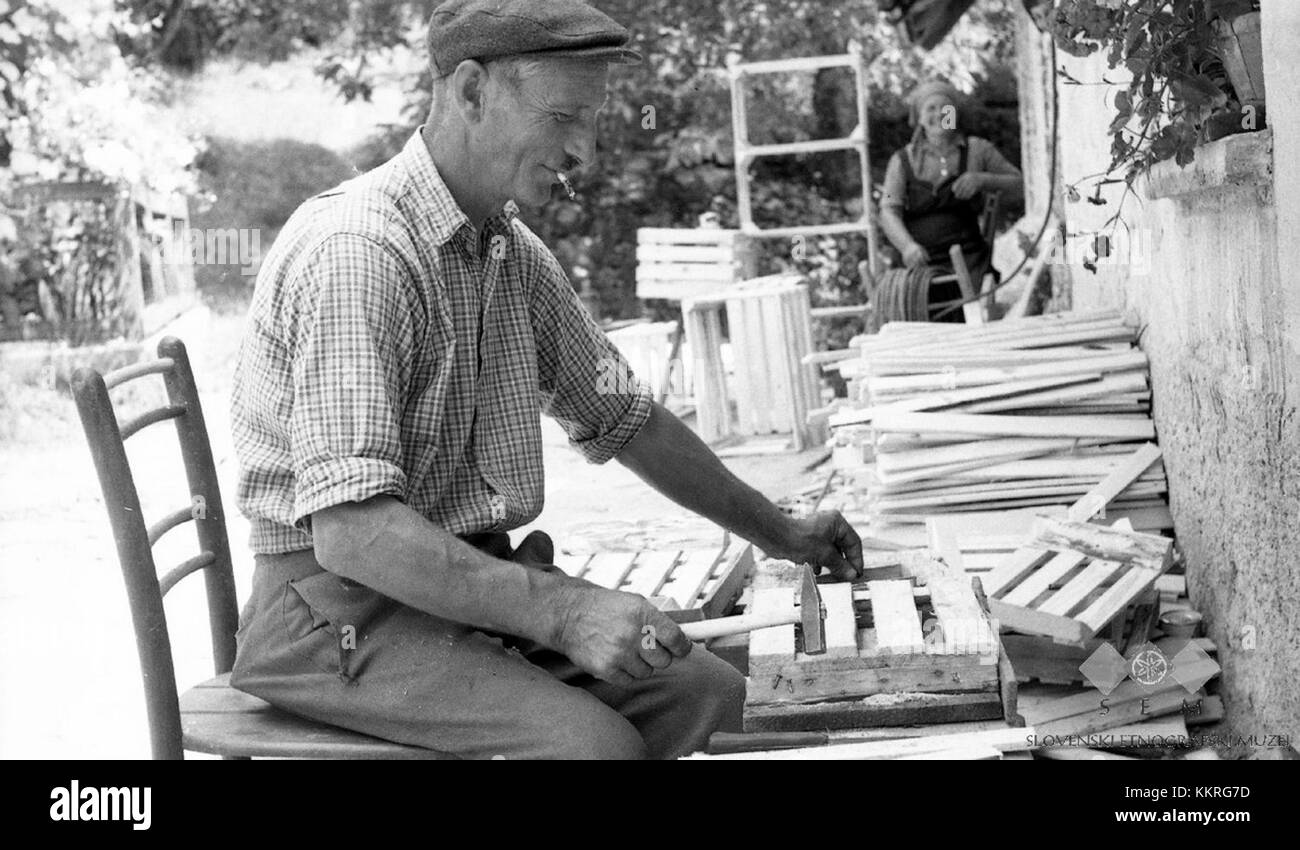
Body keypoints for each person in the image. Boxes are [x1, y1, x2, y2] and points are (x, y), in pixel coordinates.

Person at [227, 0, 865, 760]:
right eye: (564, 116)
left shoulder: (508, 252)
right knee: (590, 747)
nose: (586, 150)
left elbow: (629, 418)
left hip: (456, 588)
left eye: (593, 122)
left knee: (717, 699)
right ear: (470, 92)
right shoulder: (360, 253)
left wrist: (781, 533)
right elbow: (355, 534)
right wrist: (563, 613)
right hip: (332, 612)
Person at [879, 80, 1023, 322]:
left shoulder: (978, 150)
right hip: (919, 262)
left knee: (970, 312)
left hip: (967, 258)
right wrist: (907, 247)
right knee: (910, 306)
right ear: (919, 118)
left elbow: (1020, 185)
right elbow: (888, 210)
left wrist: (982, 180)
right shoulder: (902, 161)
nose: (939, 115)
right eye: (930, 109)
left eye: (945, 108)